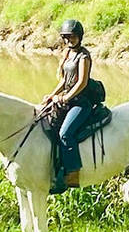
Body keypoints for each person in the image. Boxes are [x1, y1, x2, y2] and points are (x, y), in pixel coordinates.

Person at [43, 19, 103, 194]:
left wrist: (66, 97)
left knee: (65, 134)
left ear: (79, 36)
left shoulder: (84, 56)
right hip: (67, 100)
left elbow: (82, 82)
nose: (69, 40)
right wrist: (51, 95)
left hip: (80, 102)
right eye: (66, 37)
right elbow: (64, 80)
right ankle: (54, 168)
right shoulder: (67, 54)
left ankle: (72, 175)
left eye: (73, 36)